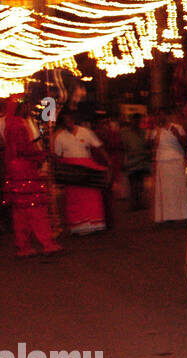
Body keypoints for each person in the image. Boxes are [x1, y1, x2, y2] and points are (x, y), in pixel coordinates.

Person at [3, 93, 61, 257]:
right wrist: (43, 155)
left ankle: (24, 246)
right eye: (28, 105)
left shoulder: (13, 123)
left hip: (17, 170)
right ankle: (47, 243)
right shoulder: (17, 125)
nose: (30, 108)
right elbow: (23, 149)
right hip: (24, 171)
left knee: (21, 211)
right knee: (36, 209)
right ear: (21, 107)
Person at [51, 110, 109, 236]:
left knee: (92, 196)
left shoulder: (85, 132)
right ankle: (78, 226)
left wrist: (108, 161)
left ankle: (94, 224)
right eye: (65, 120)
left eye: (70, 119)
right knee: (74, 198)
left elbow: (98, 147)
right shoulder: (60, 136)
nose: (68, 123)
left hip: (87, 170)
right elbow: (56, 156)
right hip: (71, 172)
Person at [151, 109, 187, 223]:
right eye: (158, 116)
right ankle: (167, 216)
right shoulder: (156, 131)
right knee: (165, 191)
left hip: (176, 161)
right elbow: (152, 148)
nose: (160, 118)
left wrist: (177, 135)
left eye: (162, 115)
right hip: (162, 163)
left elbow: (186, 144)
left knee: (179, 189)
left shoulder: (177, 127)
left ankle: (181, 214)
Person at [120, 113, 150, 211]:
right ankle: (134, 203)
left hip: (142, 161)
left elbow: (147, 145)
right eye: (135, 120)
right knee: (133, 184)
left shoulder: (143, 132)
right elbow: (122, 148)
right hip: (132, 162)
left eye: (138, 120)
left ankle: (140, 202)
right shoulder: (125, 133)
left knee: (140, 184)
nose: (136, 122)